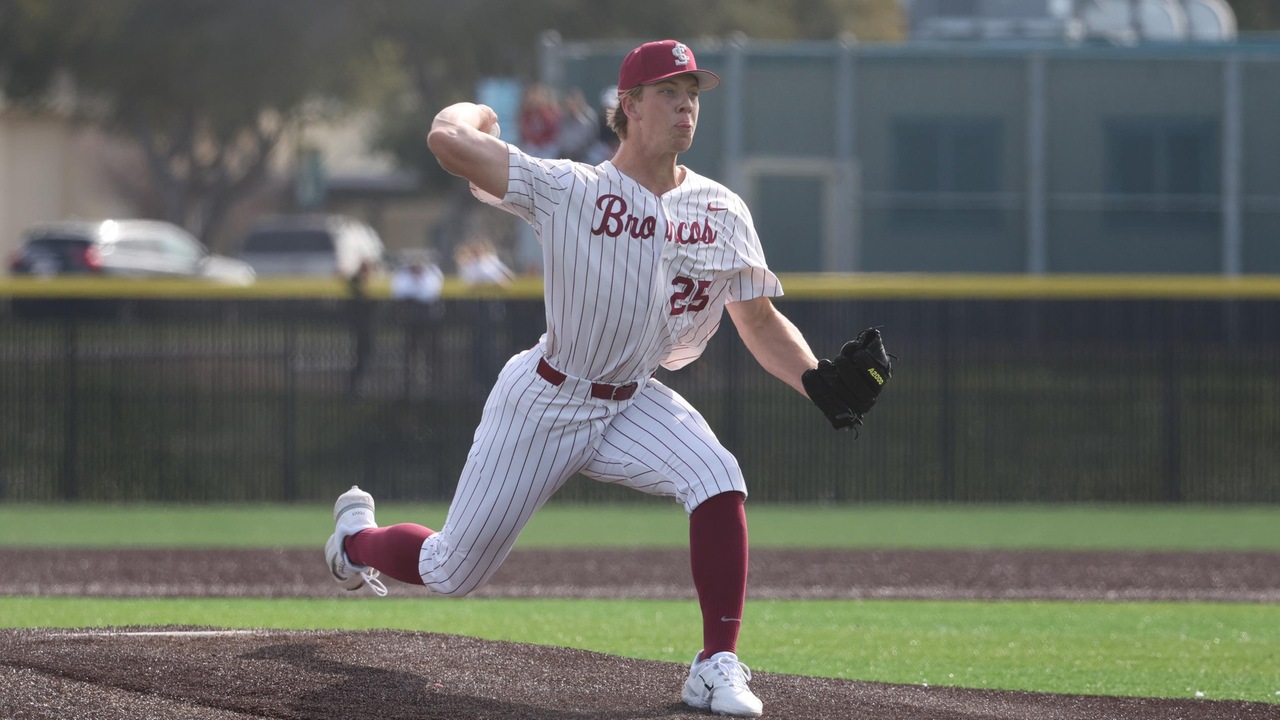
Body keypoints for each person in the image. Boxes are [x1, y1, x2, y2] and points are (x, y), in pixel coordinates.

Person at [325, 39, 891, 718]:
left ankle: (716, 664)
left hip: (631, 400)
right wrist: (480, 112)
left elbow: (760, 320)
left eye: (694, 94)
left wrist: (816, 381)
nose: (686, 105)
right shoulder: (572, 189)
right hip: (546, 398)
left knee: (717, 476)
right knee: (451, 570)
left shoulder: (722, 210)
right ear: (629, 107)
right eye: (668, 93)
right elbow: (445, 141)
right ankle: (354, 540)